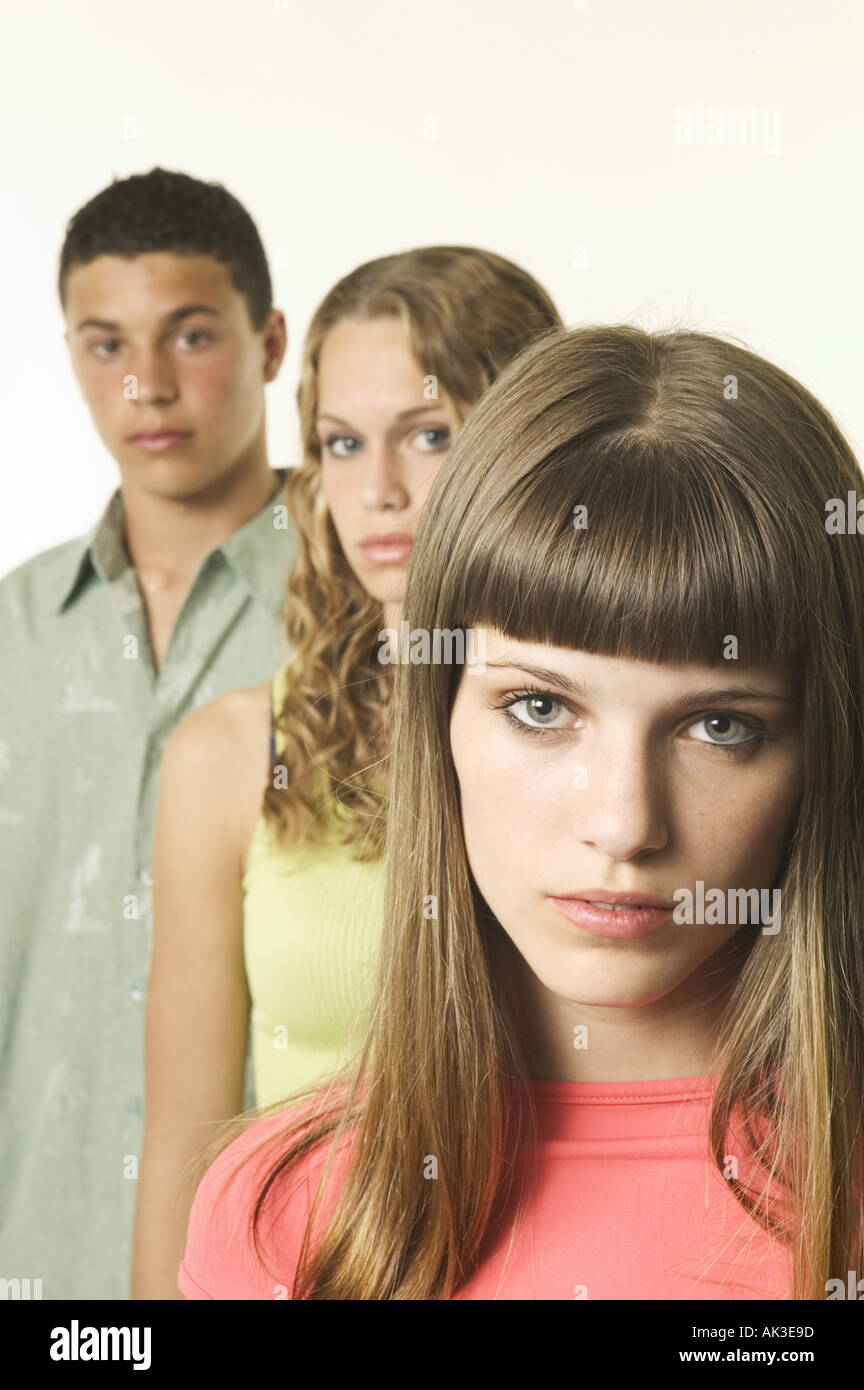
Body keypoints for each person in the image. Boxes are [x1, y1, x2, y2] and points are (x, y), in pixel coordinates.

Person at [179, 323, 864, 1300]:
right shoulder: (281, 1211)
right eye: (541, 708)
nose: (624, 823)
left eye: (719, 726)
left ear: (820, 754)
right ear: (440, 718)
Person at [132, 247, 562, 1298]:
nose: (380, 491)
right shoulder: (228, 757)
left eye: (429, 435)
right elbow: (183, 1157)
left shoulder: (611, 747)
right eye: (341, 443)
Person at [0, 166, 296, 1299]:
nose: (149, 385)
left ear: (269, 343)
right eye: (105, 344)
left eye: (189, 335)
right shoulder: (15, 635)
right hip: (36, 1250)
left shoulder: (368, 616)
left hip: (276, 1259)